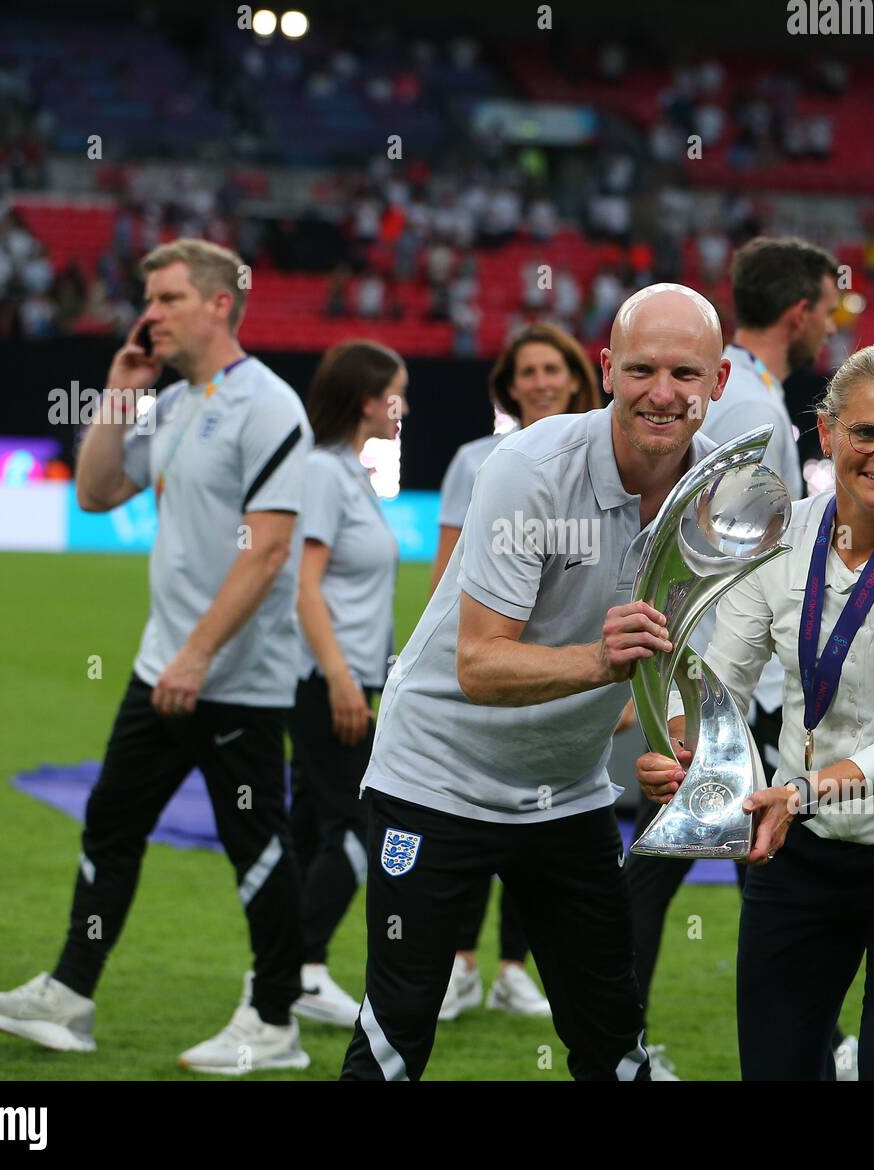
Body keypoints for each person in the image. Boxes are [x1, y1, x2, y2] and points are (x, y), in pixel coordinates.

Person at [626, 237, 874, 1080]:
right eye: (867, 432)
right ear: (826, 430)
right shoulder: (779, 539)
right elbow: (724, 675)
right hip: (802, 853)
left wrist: (801, 790)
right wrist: (688, 752)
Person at [339, 284, 727, 1080]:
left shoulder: (718, 486)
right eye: (643, 369)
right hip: (433, 781)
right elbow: (479, 663)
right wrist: (601, 661)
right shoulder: (531, 467)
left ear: (718, 382)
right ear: (608, 368)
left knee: (613, 1040)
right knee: (397, 1034)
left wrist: (675, 744)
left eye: (686, 374)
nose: (663, 393)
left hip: (565, 792)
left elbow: (689, 647)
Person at [0, 239, 314, 1074]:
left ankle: (274, 1024)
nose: (148, 313)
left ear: (220, 304)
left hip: (236, 679)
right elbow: (94, 493)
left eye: (166, 298)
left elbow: (265, 552)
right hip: (166, 667)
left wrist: (197, 657)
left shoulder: (269, 406)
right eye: (147, 297)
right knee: (111, 826)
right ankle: (70, 998)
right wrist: (119, 397)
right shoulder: (179, 400)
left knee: (256, 849)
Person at [430, 322, 602, 1020]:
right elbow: (446, 571)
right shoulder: (476, 460)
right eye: (525, 371)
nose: (538, 381)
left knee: (540, 822)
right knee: (472, 814)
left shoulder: (603, 463)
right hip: (490, 661)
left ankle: (512, 968)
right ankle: (461, 963)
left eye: (550, 369)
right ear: (510, 384)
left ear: (573, 377)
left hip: (561, 670)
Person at [288, 341, 407, 1028]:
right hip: (327, 682)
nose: (405, 407)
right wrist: (340, 678)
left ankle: (290, 972)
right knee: (364, 829)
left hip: (349, 679)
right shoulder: (324, 473)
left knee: (313, 826)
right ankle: (293, 968)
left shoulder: (349, 474)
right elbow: (305, 587)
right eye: (398, 392)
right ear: (367, 399)